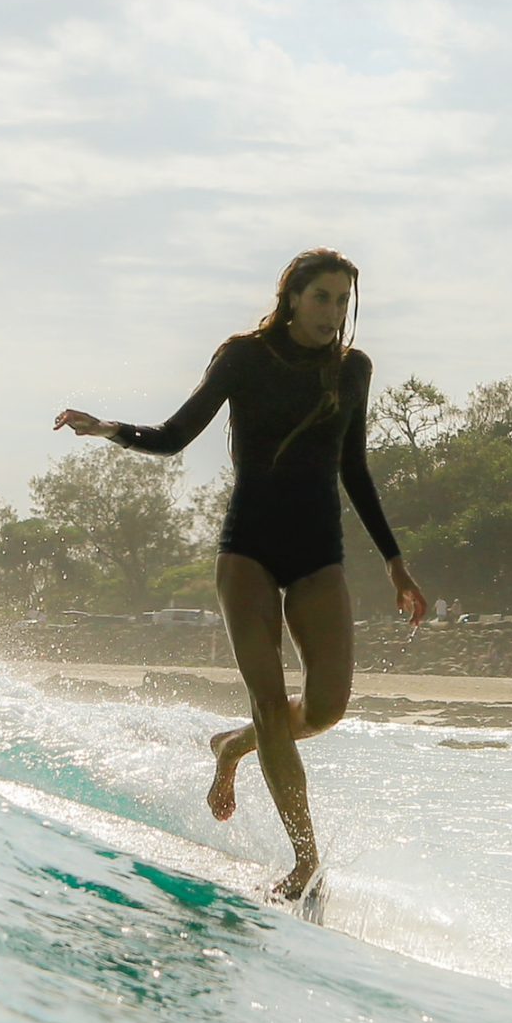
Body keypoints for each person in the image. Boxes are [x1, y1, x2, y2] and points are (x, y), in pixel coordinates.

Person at [54, 248, 426, 900]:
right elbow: (174, 436)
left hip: (318, 553)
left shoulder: (352, 369)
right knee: (269, 703)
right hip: (247, 550)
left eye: (343, 301)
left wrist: (397, 565)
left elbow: (355, 470)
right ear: (290, 298)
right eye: (322, 298)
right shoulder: (243, 358)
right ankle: (306, 861)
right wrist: (108, 428)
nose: (333, 313)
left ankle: (232, 749)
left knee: (327, 706)